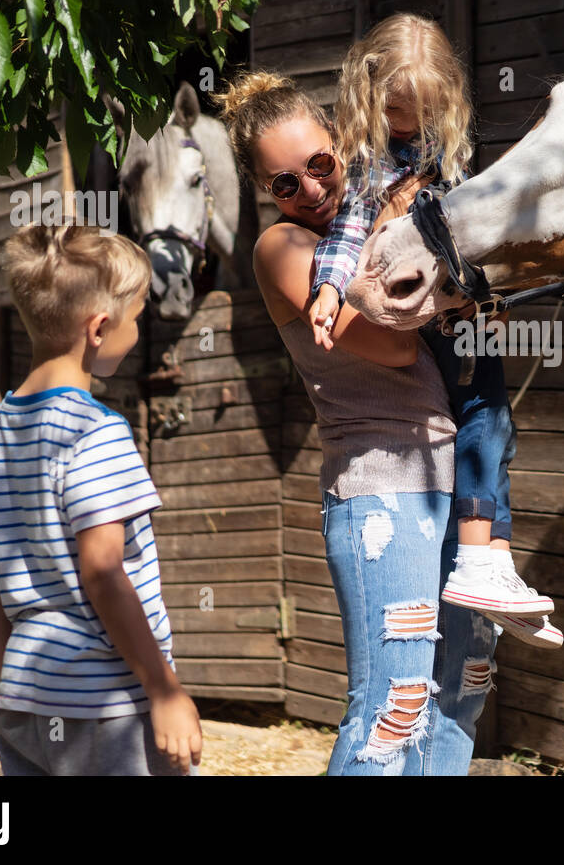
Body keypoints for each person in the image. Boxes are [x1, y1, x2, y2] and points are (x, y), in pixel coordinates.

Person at [218, 69, 496, 774]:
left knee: (458, 699)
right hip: (381, 491)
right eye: (286, 183)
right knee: (391, 708)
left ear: (341, 144)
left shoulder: (372, 214)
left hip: (454, 481)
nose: (311, 189)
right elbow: (392, 343)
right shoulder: (283, 249)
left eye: (320, 164)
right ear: (264, 190)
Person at [305, 14, 561, 647]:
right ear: (369, 90)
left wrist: (489, 296)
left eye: (420, 110)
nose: (407, 122)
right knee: (483, 413)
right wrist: (329, 287)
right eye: (396, 108)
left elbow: (470, 238)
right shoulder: (365, 160)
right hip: (413, 315)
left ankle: (494, 559)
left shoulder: (448, 156)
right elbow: (347, 234)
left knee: (494, 422)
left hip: (453, 307)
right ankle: (479, 557)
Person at [0, 224, 201, 776]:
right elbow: (102, 572)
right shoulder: (97, 432)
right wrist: (164, 689)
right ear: (99, 328)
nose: (140, 328)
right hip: (107, 706)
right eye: (138, 314)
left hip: (26, 699)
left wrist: (7, 667)